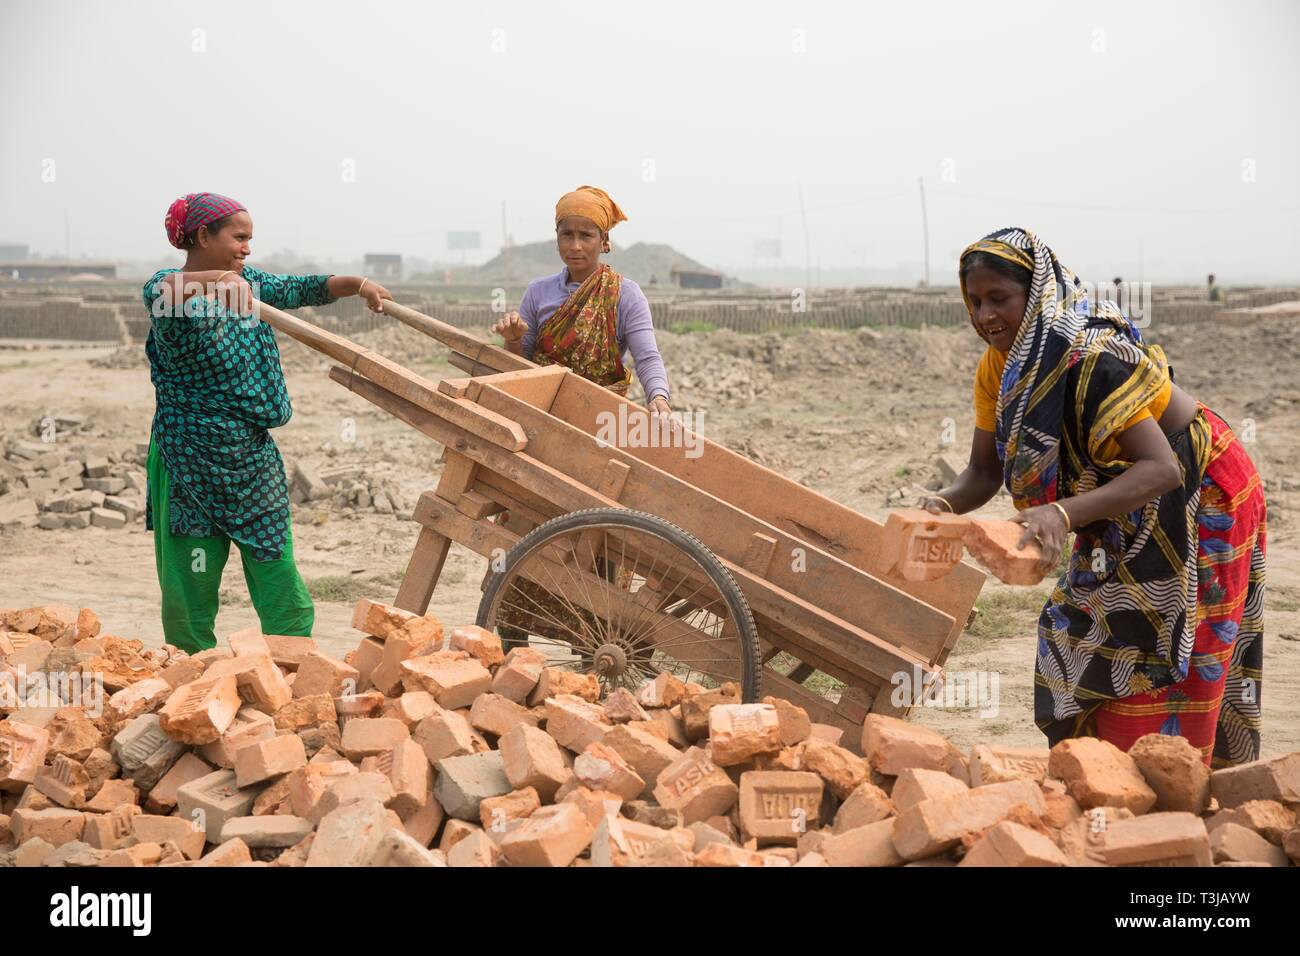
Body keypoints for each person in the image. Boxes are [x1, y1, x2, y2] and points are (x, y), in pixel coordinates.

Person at [925, 226, 1265, 767]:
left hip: (1200, 493)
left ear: (1035, 293)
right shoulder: (1000, 367)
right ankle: (1100, 781)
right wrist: (940, 505)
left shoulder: (1091, 356)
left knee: (1180, 645)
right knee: (1077, 632)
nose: (986, 316)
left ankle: (1173, 791)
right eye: (975, 301)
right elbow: (982, 472)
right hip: (1114, 501)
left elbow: (1162, 468)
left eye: (999, 298)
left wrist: (1061, 512)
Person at [142, 191, 392, 653]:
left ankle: (293, 664)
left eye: (249, 240)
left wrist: (358, 285)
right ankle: (191, 676)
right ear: (202, 235)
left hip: (251, 455)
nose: (246, 249)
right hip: (188, 460)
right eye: (239, 238)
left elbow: (302, 289)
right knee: (191, 580)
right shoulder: (169, 289)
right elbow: (161, 293)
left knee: (276, 565)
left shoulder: (249, 280)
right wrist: (215, 281)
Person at [490, 185, 671, 415]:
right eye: (567, 235)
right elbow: (519, 374)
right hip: (541, 412)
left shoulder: (626, 295)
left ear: (603, 240)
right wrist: (513, 341)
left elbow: (646, 357)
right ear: (557, 239)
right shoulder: (537, 292)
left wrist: (658, 396)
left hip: (601, 417)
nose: (575, 246)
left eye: (586, 236)